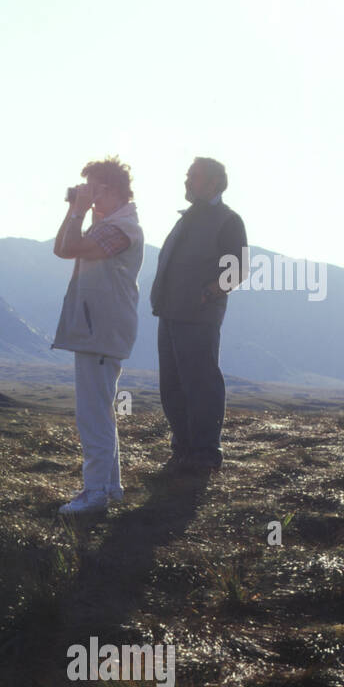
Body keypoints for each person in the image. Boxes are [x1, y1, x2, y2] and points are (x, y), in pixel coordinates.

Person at [50, 157, 144, 515]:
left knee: (93, 415)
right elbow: (61, 248)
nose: (87, 193)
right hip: (97, 329)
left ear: (113, 189)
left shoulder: (121, 228)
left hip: (102, 329)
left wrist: (79, 210)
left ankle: (95, 494)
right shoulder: (109, 224)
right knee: (100, 410)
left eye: (94, 187)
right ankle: (110, 487)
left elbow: (71, 247)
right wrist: (79, 210)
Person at [148, 157, 247, 475]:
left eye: (194, 176)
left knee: (201, 382)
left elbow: (238, 270)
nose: (187, 181)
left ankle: (205, 453)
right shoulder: (188, 218)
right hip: (171, 312)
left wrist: (207, 294)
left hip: (199, 315)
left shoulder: (227, 220)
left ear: (214, 182)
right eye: (188, 175)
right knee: (172, 383)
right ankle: (184, 448)